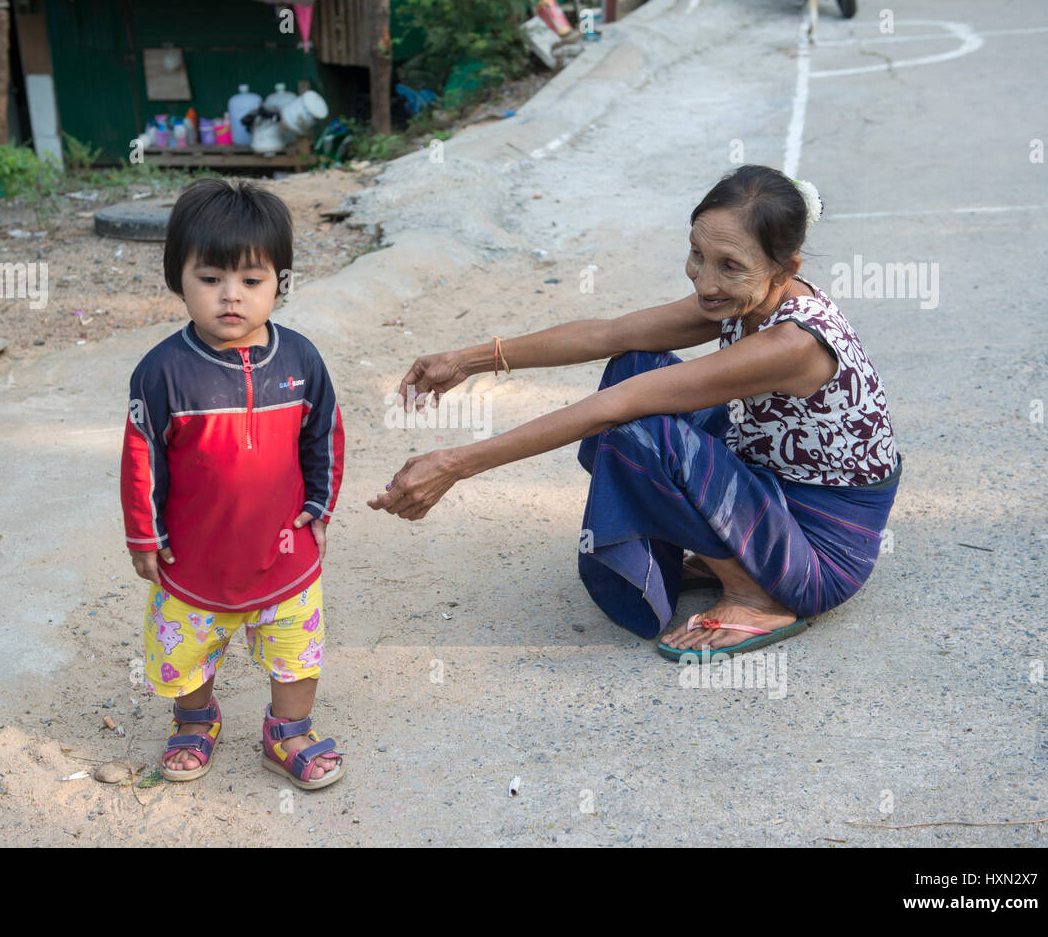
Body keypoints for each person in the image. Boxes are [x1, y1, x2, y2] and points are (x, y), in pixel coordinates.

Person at [368, 165, 900, 662]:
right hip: (773, 483)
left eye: (729, 266)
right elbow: (612, 333)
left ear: (787, 268)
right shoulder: (749, 298)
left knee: (642, 430)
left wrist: (457, 464)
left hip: (819, 551)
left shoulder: (791, 342)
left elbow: (616, 409)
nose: (704, 281)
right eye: (697, 255)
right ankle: (724, 550)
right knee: (635, 364)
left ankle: (755, 592)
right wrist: (468, 359)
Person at [121, 179, 345, 786]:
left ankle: (288, 733)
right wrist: (144, 537)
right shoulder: (163, 373)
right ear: (178, 278)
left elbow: (322, 435)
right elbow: (141, 459)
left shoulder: (300, 361)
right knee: (185, 655)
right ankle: (195, 721)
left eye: (251, 280)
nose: (231, 296)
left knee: (297, 651)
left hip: (284, 556)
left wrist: (319, 507)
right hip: (193, 559)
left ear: (280, 283)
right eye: (210, 277)